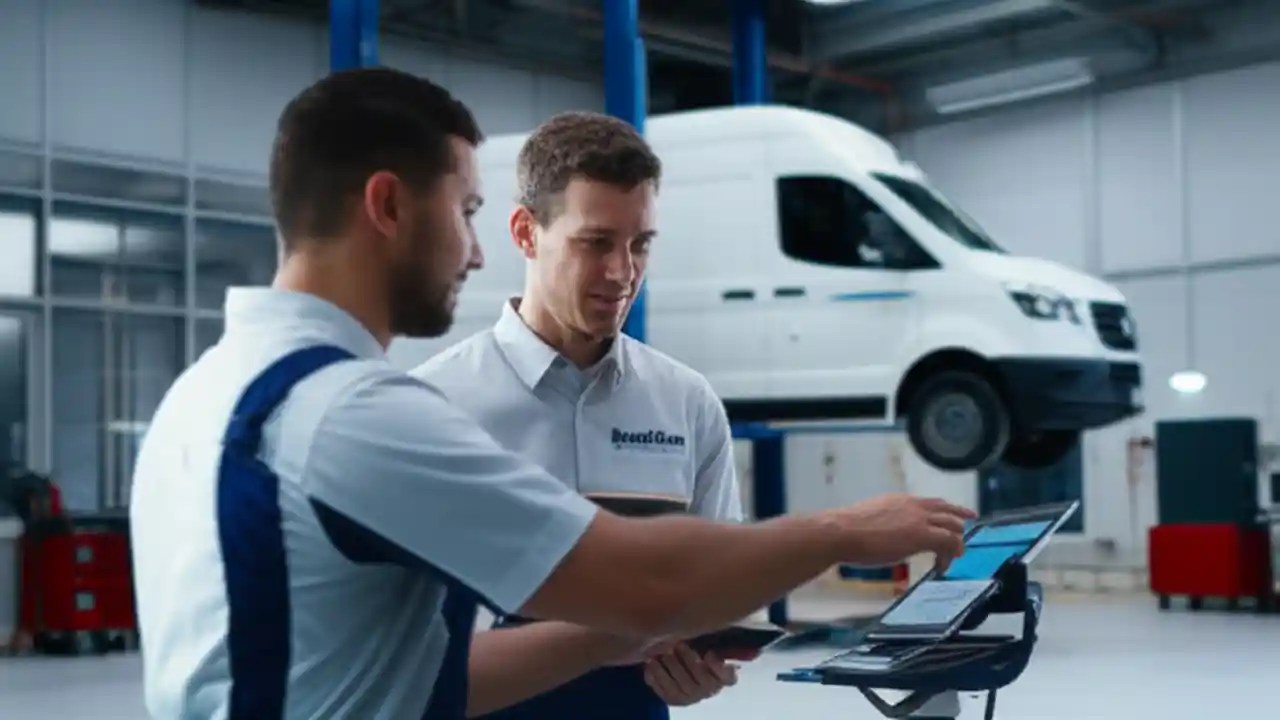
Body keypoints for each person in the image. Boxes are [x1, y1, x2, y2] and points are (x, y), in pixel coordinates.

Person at [128, 66, 975, 720]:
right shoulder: (353, 413)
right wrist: (843, 530)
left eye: (640, 244)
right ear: (387, 205)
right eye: (465, 211)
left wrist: (642, 637)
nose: (471, 252)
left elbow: (426, 680)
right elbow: (649, 583)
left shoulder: (207, 395)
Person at [410, 111, 744, 719]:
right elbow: (400, 645)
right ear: (525, 232)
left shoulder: (688, 405)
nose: (622, 273)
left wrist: (704, 665)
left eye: (640, 244)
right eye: (595, 243)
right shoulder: (432, 405)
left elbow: (717, 595)